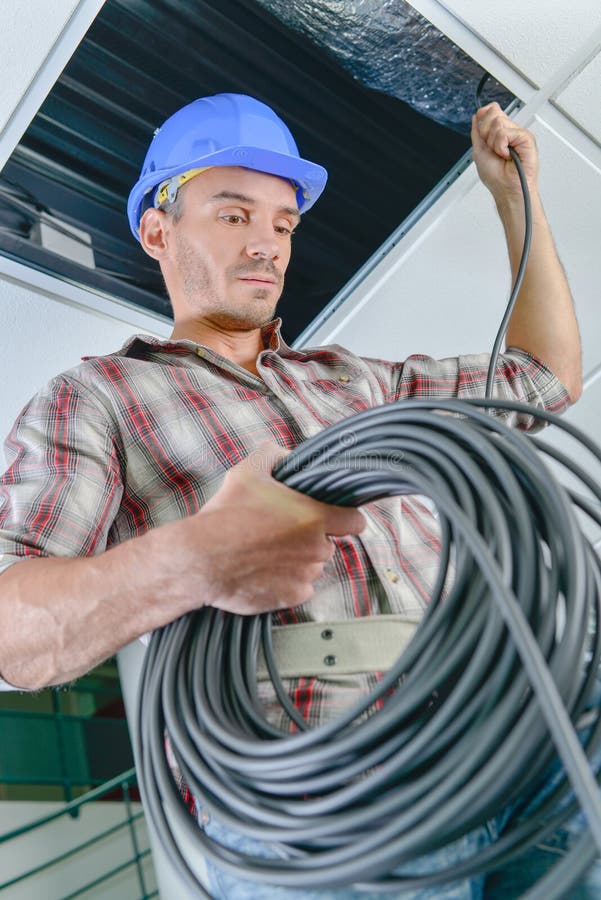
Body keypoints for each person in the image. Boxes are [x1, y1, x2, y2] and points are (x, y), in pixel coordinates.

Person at [0, 94, 582, 897]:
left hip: (509, 722)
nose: (267, 244)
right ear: (157, 230)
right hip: (318, 793)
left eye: (282, 223)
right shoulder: (97, 397)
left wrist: (514, 200)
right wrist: (193, 562)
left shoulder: (358, 378)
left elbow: (542, 381)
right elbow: (13, 636)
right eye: (235, 214)